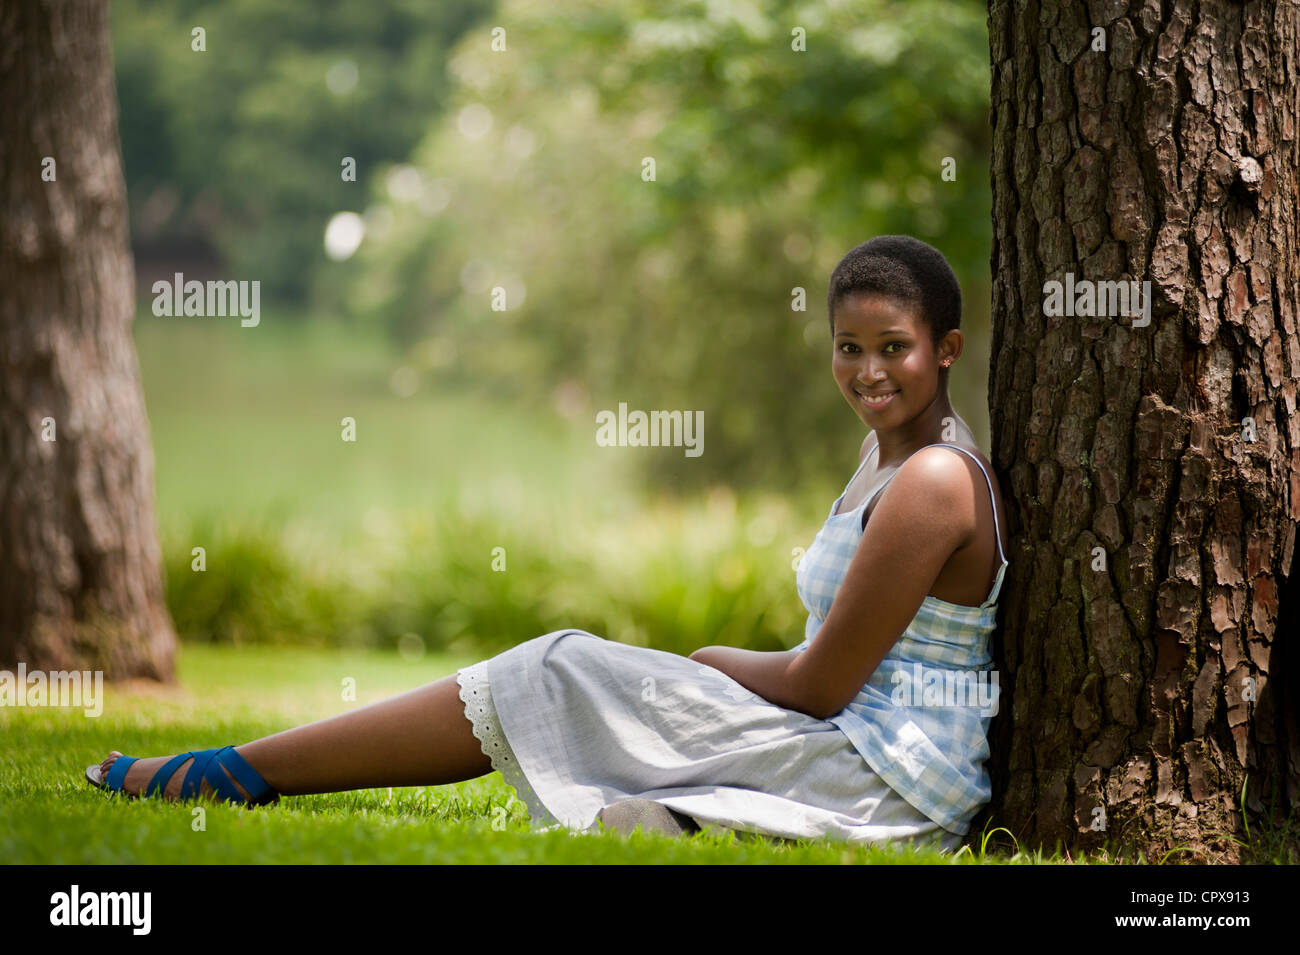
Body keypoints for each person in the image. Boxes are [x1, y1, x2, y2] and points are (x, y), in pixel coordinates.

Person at [87, 235, 1008, 851]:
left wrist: (707, 659)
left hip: (882, 776)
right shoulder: (880, 460)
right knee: (582, 697)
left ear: (949, 349)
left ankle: (233, 772)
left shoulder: (933, 480)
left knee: (561, 666)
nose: (868, 371)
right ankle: (237, 769)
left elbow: (820, 682)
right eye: (848, 347)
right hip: (843, 743)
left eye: (895, 347)